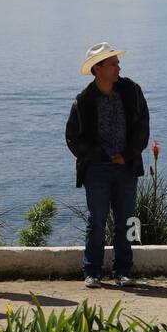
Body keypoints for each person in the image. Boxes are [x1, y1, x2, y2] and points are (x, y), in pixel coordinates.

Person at [66, 42, 150, 288]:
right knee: (97, 220)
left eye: (117, 62)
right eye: (112, 64)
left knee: (127, 220)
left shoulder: (132, 91)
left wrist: (129, 154)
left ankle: (123, 270)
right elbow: (73, 138)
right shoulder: (83, 101)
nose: (118, 67)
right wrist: (99, 156)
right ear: (97, 69)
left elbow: (143, 126)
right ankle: (92, 271)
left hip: (127, 166)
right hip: (97, 170)